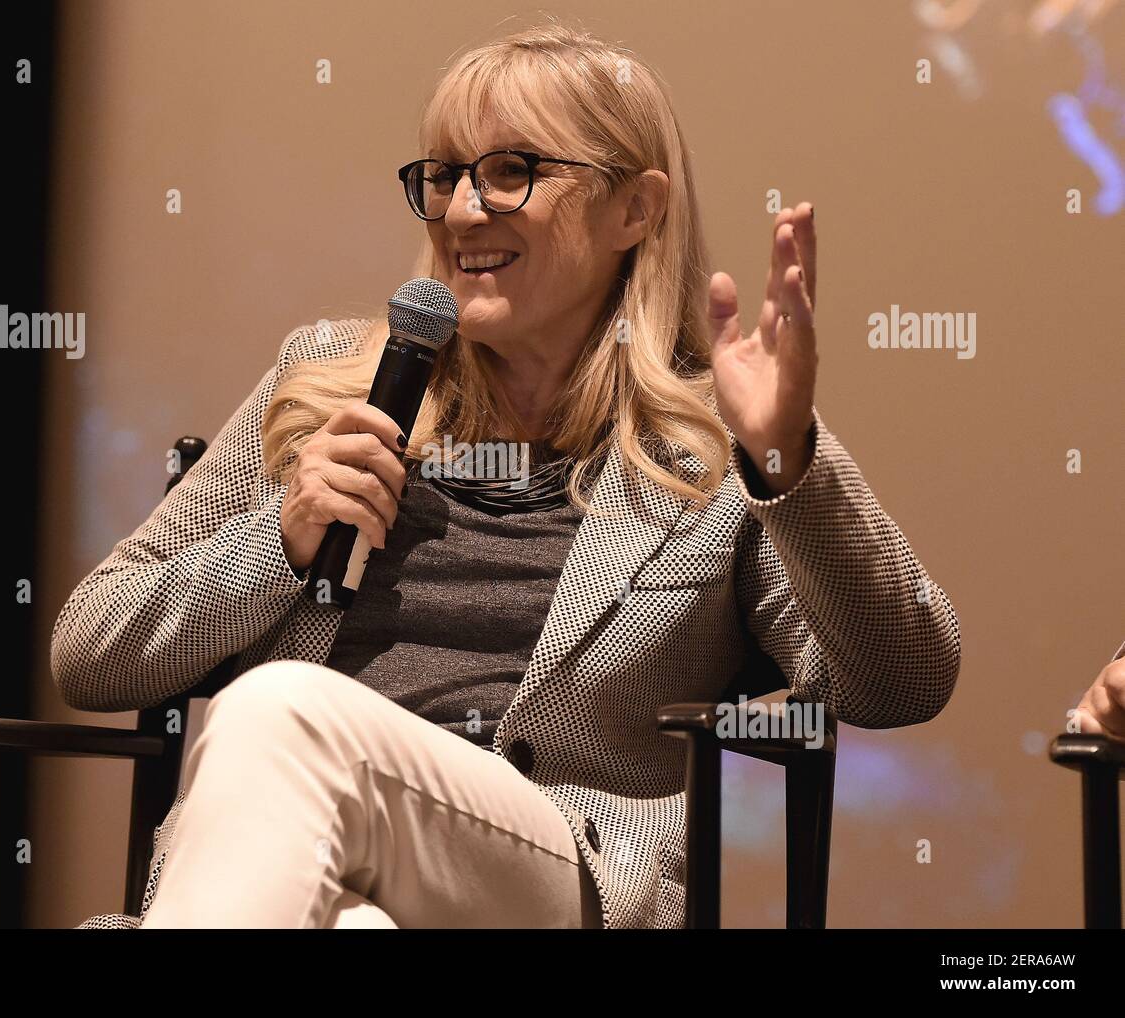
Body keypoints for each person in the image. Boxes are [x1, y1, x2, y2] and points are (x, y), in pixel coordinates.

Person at [52, 22, 962, 929]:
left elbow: (901, 680)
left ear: (634, 211)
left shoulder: (713, 450)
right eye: (444, 175)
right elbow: (87, 655)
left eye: (510, 172)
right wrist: (275, 544)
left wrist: (787, 460)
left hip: (560, 879)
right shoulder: (327, 383)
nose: (459, 213)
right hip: (322, 886)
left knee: (281, 712)